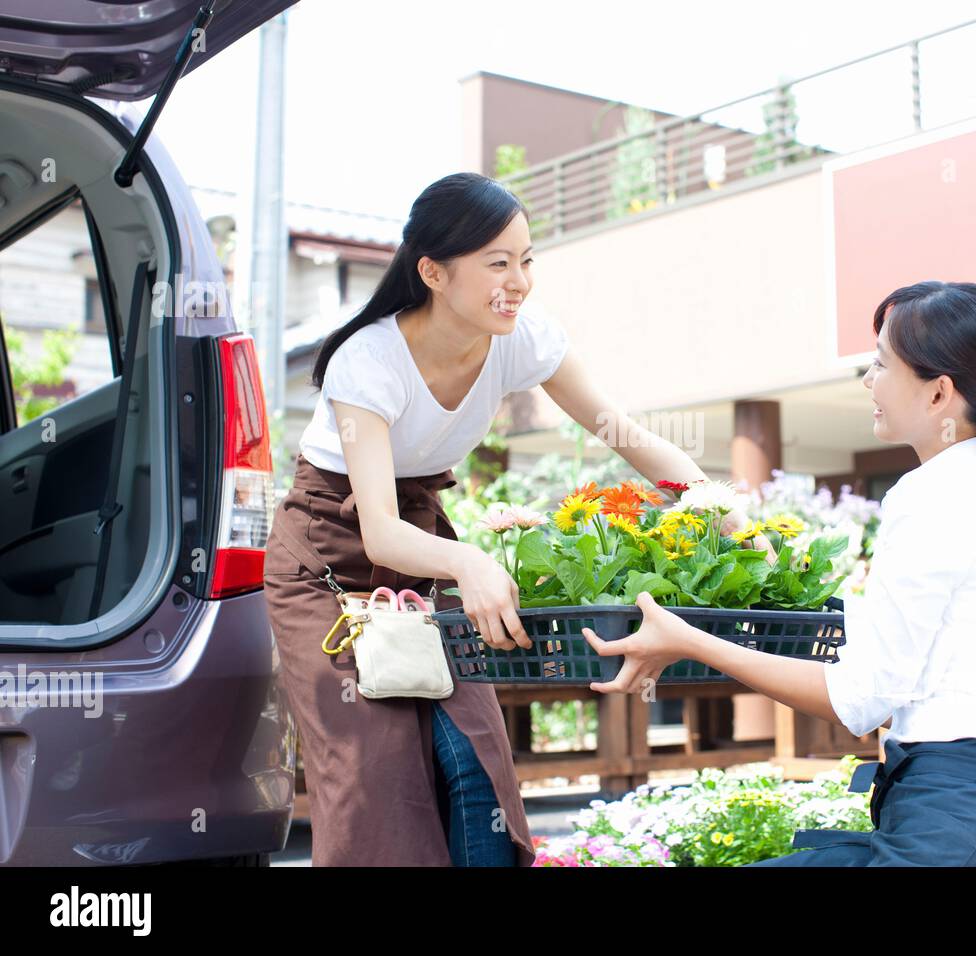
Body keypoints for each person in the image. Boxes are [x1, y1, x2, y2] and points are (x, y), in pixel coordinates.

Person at [262, 172, 768, 866]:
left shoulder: (521, 340)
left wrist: (717, 506)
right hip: (326, 564)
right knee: (375, 779)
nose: (519, 280)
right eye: (498, 262)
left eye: (526, 260)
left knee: (474, 762)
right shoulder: (369, 360)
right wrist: (470, 561)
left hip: (424, 550)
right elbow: (377, 528)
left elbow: (625, 434)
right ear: (433, 272)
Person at [581, 280, 976, 866]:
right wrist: (765, 567)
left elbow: (858, 701)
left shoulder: (937, 496)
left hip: (966, 828)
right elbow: (894, 644)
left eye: (880, 363)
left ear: (938, 394)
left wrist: (691, 641)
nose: (868, 380)